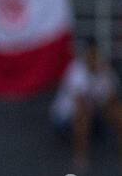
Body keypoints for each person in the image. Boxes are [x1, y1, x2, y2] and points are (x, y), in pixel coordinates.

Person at [50, 40, 122, 169]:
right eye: (92, 55)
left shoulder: (105, 72)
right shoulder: (76, 71)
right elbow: (81, 103)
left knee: (118, 112)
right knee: (84, 114)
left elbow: (112, 100)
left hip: (95, 114)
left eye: (97, 55)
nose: (95, 58)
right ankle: (80, 157)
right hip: (65, 118)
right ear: (86, 55)